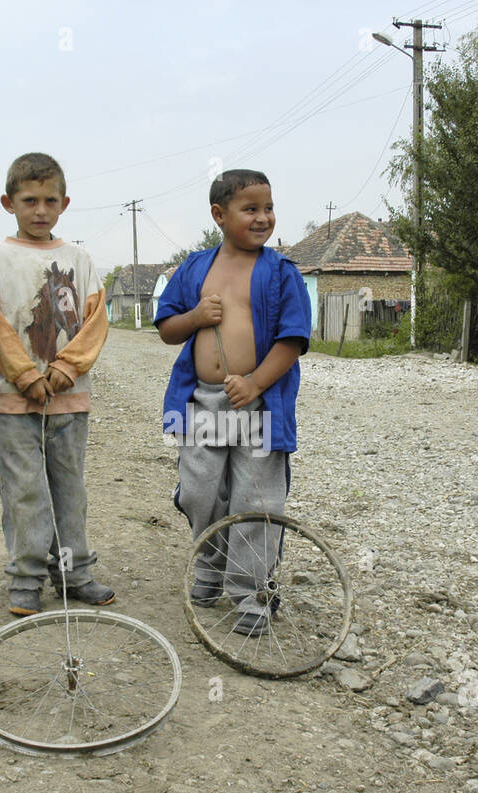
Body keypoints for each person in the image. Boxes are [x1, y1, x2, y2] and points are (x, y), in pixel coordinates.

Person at [155, 169, 310, 635]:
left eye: (268, 208)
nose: (263, 218)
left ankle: (251, 592)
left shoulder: (281, 273)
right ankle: (210, 565)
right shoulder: (195, 269)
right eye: (251, 209)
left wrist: (258, 382)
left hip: (259, 408)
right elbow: (166, 329)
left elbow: (293, 339)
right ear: (219, 216)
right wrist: (196, 316)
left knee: (256, 498)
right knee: (201, 491)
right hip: (203, 403)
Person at [0, 153, 111, 616]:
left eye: (49, 201)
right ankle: (26, 577)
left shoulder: (79, 259)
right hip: (15, 402)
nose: (40, 210)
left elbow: (94, 322)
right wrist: (26, 374)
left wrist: (66, 367)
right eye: (29, 200)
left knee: (69, 487)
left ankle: (73, 574)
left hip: (69, 400)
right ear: (8, 202)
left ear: (64, 203)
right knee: (24, 490)